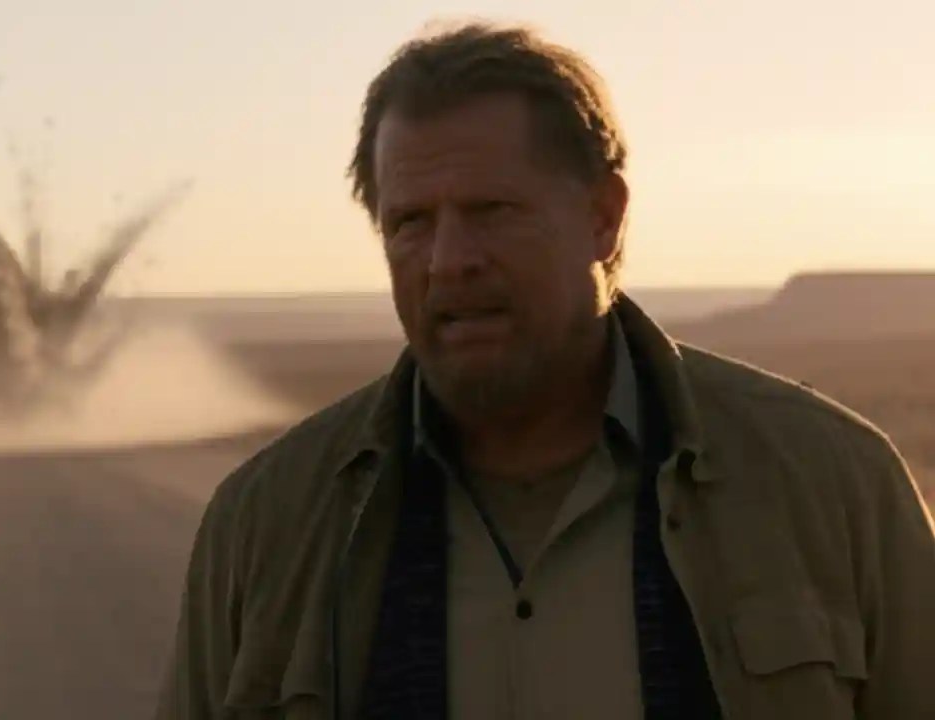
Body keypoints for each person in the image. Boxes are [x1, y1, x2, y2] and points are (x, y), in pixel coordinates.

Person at [154, 20, 935, 720]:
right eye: (410, 223)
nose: (449, 262)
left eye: (493, 211)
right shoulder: (265, 526)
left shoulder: (833, 487)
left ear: (604, 217)